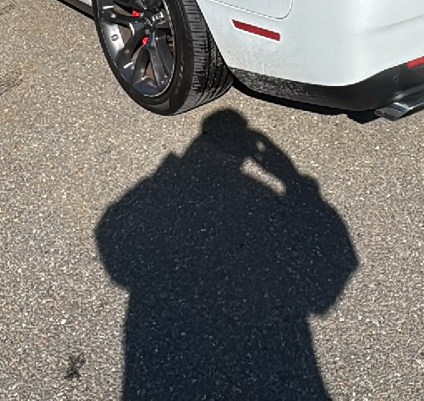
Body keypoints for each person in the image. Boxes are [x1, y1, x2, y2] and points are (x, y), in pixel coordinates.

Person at [96, 109, 358, 399]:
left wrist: (148, 281)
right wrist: (295, 183)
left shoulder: (163, 187)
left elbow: (110, 232)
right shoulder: (260, 194)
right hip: (270, 351)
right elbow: (334, 275)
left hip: (164, 336)